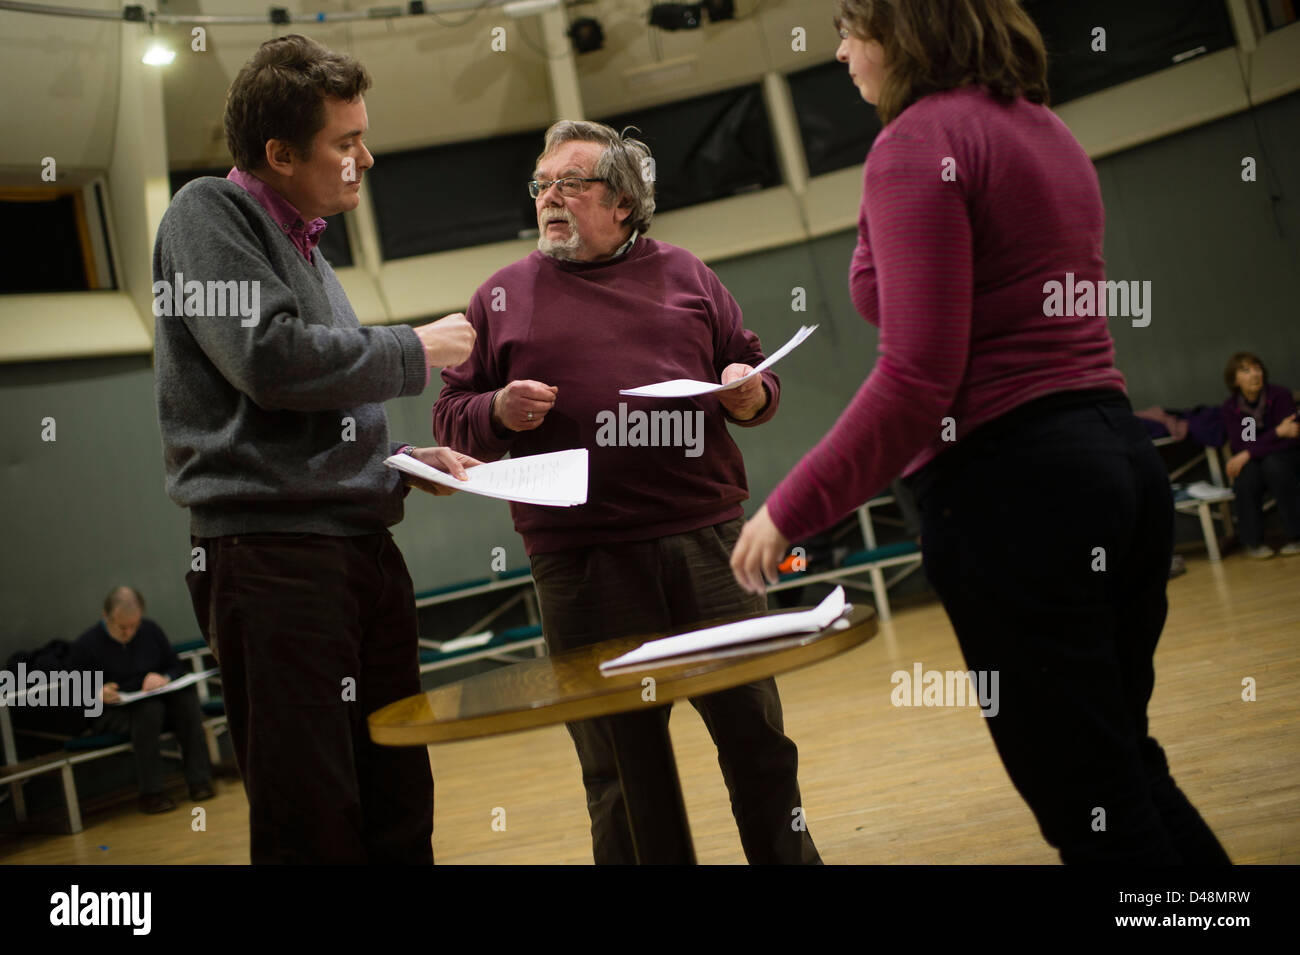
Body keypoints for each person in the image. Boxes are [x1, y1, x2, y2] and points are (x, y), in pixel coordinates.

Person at [731, 0, 1230, 864]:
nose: (841, 52)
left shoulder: (919, 144)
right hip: (1116, 463)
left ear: (903, 32)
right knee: (1123, 770)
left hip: (1013, 488)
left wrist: (791, 507)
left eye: (852, 31)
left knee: (1094, 802)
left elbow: (919, 379)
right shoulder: (1044, 129)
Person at [433, 120, 820, 864]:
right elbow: (451, 416)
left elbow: (751, 369)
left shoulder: (688, 273)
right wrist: (497, 411)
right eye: (541, 184)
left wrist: (749, 395)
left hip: (709, 545)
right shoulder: (500, 297)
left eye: (569, 184)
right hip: (582, 565)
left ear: (622, 201)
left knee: (758, 743)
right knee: (616, 768)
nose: (549, 197)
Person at [153, 34, 480, 863]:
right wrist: (417, 348)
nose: (365, 157)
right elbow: (270, 360)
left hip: (357, 549)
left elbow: (309, 408)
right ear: (279, 152)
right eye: (346, 142)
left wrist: (397, 462)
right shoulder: (207, 213)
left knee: (399, 800)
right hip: (273, 564)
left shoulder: (307, 246)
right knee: (313, 819)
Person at [68, 587, 213, 814]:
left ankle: (200, 782)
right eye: (122, 627)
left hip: (158, 702)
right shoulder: (86, 645)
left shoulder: (150, 631)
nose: (129, 632)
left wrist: (163, 677)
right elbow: (75, 695)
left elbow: (175, 666)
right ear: (105, 616)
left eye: (134, 626)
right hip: (117, 713)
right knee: (149, 711)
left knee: (186, 701)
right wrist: (97, 693)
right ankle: (151, 794)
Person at [1219, 352, 1300, 557]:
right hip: (1257, 458)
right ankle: (1253, 541)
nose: (1255, 374)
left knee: (1274, 466)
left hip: (1285, 455)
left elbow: (1291, 438)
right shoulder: (1234, 408)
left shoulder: (1279, 395)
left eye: (1257, 369)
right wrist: (1276, 433)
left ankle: (1295, 536)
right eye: (1246, 370)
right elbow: (1244, 444)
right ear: (1235, 380)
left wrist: (1251, 451)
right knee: (1246, 475)